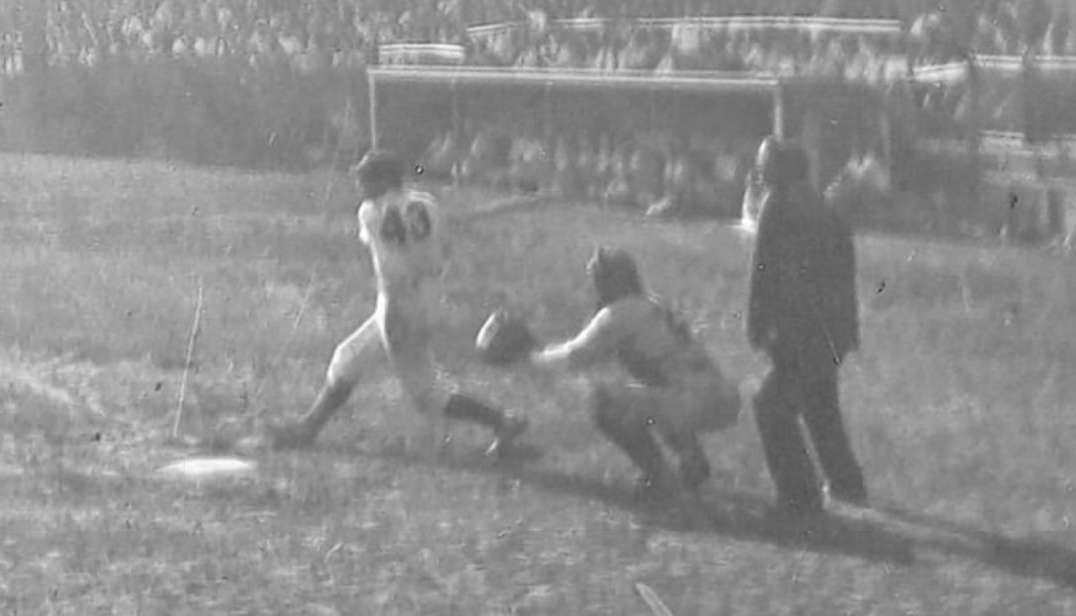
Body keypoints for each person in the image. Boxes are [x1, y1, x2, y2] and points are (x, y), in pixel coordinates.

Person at [268, 151, 528, 456]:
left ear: (386, 179)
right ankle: (308, 428)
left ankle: (502, 421)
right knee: (348, 358)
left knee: (426, 391)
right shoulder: (426, 203)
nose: (359, 183)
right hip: (423, 294)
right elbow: (436, 243)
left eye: (366, 177)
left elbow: (386, 238)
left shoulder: (371, 211)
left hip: (399, 303)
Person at [518, 247, 741, 498]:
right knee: (653, 394)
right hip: (723, 396)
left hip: (692, 402)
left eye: (598, 279)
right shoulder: (651, 304)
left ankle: (659, 478)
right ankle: (692, 461)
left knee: (604, 403)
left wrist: (532, 357)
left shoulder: (618, 314)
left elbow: (575, 357)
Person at [746, 138, 867, 519]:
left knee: (771, 406)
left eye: (764, 165)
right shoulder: (824, 207)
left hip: (804, 333)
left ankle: (799, 497)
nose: (759, 173)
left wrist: (758, 326)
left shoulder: (778, 205)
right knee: (819, 404)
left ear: (781, 170)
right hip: (835, 331)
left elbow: (762, 272)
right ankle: (847, 485)